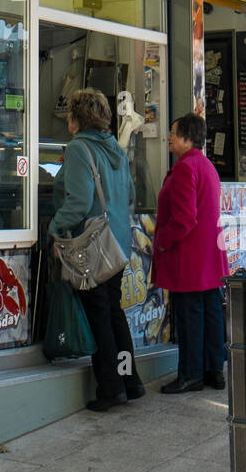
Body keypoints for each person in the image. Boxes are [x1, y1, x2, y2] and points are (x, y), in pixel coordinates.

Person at [49, 87, 145, 412]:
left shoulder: (79, 149)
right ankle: (129, 379)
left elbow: (78, 201)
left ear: (76, 118)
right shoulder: (115, 150)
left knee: (99, 315)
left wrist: (55, 228)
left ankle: (111, 388)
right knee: (114, 312)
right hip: (118, 243)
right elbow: (129, 194)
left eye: (69, 116)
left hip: (93, 245)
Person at [152, 112, 228, 395]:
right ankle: (213, 370)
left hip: (189, 258)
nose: (169, 137)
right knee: (210, 313)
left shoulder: (185, 168)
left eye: (173, 132)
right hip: (209, 257)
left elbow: (184, 218)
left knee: (189, 317)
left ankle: (191, 374)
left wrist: (161, 241)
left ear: (186, 137)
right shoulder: (206, 165)